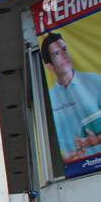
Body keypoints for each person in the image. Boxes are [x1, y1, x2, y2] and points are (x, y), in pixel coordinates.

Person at [42, 32, 101, 168]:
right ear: (49, 66)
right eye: (56, 54)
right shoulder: (51, 100)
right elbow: (57, 144)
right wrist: (65, 158)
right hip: (76, 173)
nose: (64, 55)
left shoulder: (96, 81)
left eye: (65, 49)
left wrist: (96, 140)